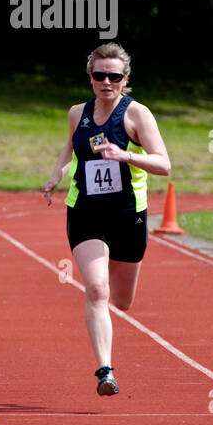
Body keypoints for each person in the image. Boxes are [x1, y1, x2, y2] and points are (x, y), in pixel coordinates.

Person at [42, 42, 170, 396]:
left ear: (125, 79)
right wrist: (57, 174)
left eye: (114, 76)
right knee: (97, 289)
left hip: (128, 215)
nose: (106, 82)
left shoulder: (137, 115)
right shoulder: (77, 113)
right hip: (85, 211)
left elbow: (164, 164)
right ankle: (105, 372)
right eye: (99, 75)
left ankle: (112, 323)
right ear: (90, 77)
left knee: (122, 301)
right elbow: (71, 147)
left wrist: (125, 157)